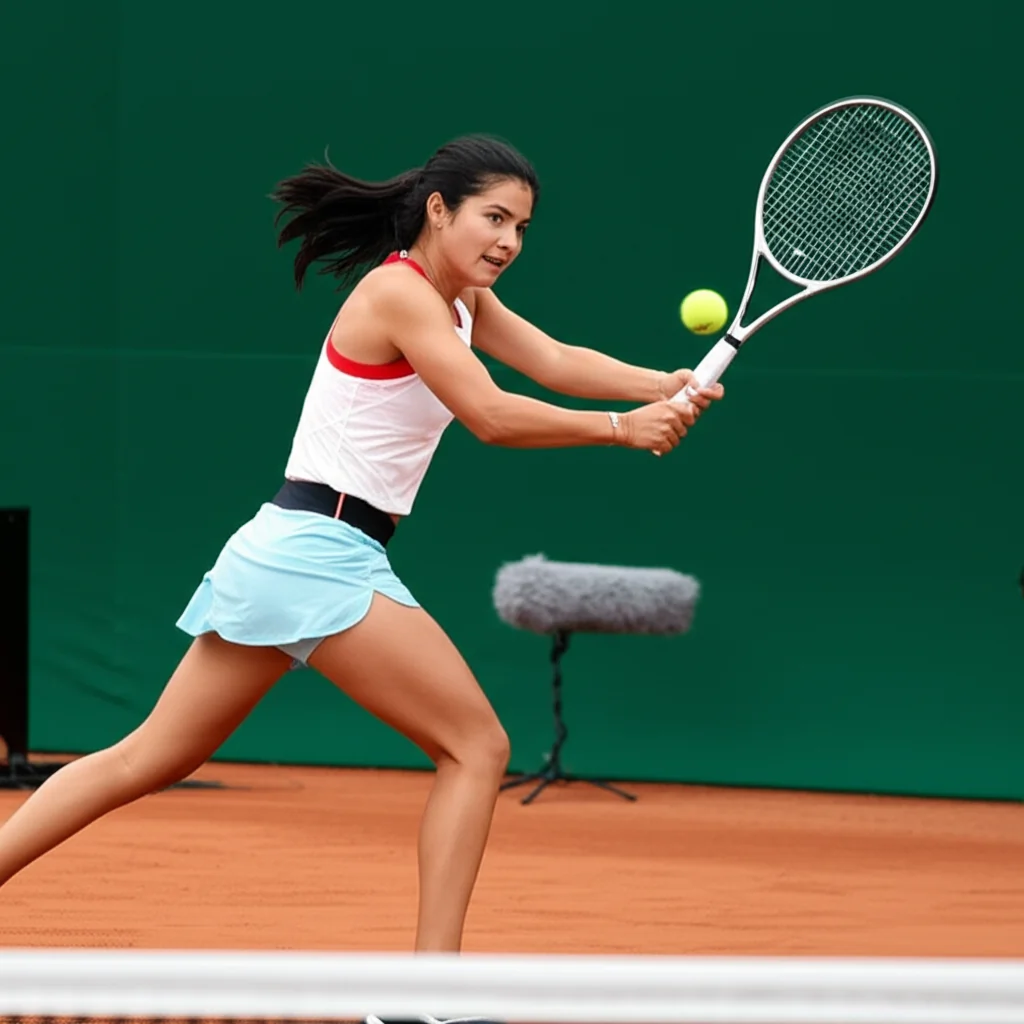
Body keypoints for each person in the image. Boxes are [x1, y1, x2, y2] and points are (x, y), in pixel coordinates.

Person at [0, 134, 723, 1023]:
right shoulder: (397, 292)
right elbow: (491, 414)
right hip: (317, 554)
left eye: (523, 227)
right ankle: (426, 995)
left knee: (148, 758)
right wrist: (622, 430)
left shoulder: (465, 302)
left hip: (293, 551)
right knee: (476, 747)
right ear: (438, 210)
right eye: (493, 217)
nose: (508, 241)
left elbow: (556, 360)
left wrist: (667, 383)